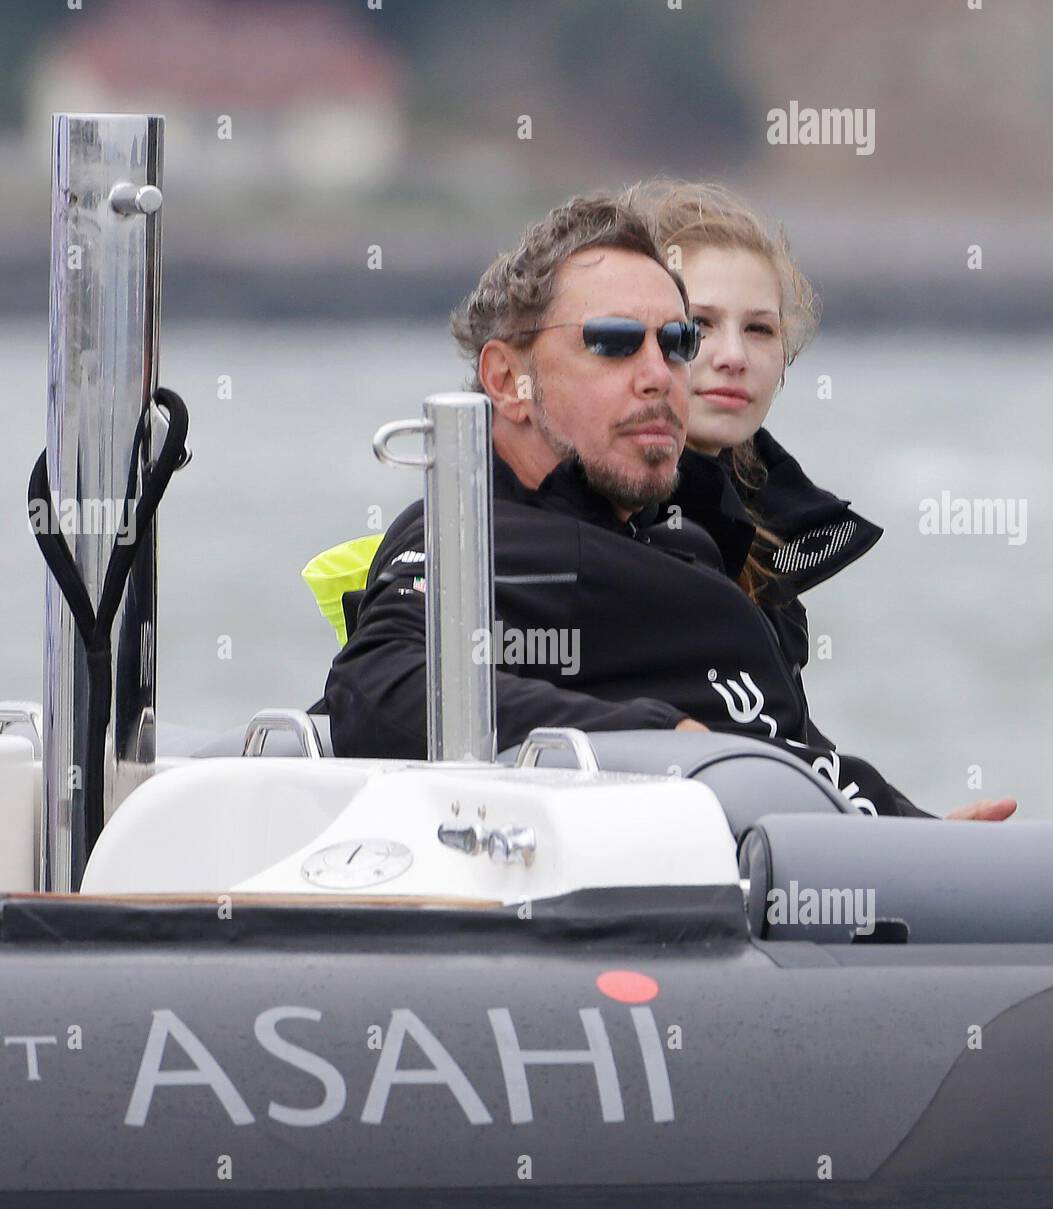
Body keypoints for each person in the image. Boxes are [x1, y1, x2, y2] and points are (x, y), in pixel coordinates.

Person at [322, 194, 1009, 820]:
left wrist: (920, 837)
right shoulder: (486, 537)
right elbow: (376, 687)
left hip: (833, 880)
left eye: (676, 343)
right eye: (613, 342)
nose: (659, 375)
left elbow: (794, 750)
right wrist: (656, 741)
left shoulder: (688, 546)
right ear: (508, 379)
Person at [626, 178, 1015, 822]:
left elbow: (789, 748)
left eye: (759, 330)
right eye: (699, 326)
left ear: (787, 355)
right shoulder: (604, 517)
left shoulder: (765, 532)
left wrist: (920, 837)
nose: (732, 357)